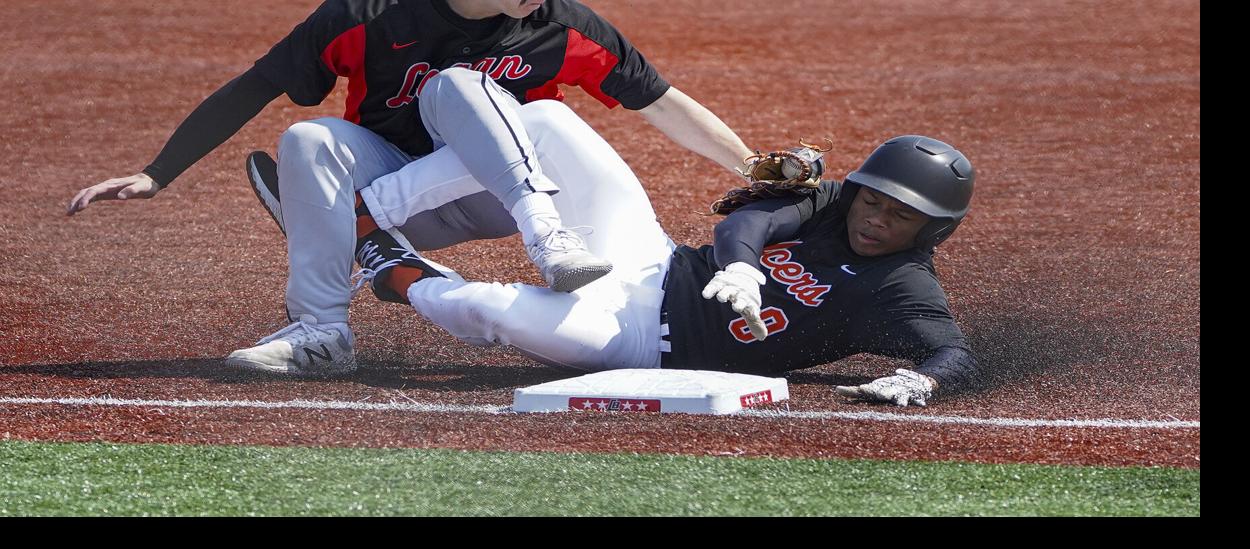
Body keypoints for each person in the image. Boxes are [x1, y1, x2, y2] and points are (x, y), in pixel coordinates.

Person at [65, 0, 753, 376]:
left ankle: (544, 238)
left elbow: (659, 101)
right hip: (399, 188)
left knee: (507, 101)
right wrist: (159, 172)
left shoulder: (560, 23)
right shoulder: (368, 16)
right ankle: (321, 332)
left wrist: (752, 167)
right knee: (307, 140)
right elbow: (260, 84)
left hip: (502, 196)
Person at [342, 133, 980, 405]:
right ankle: (373, 202)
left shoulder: (900, 285)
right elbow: (745, 223)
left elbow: (952, 353)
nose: (874, 219)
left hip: (642, 344)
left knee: (484, 308)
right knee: (545, 124)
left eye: (899, 216)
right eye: (873, 199)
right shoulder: (836, 199)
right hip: (651, 258)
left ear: (935, 229)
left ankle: (393, 266)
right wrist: (743, 268)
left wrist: (921, 382)